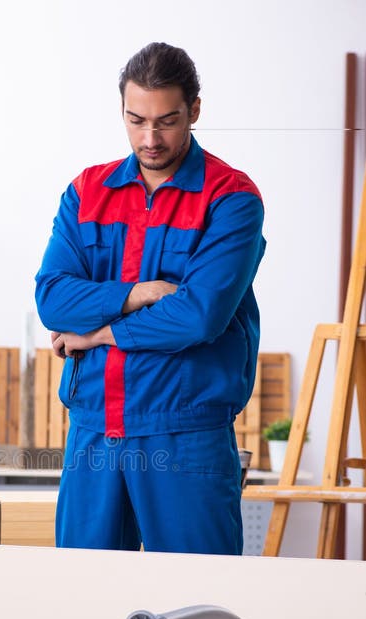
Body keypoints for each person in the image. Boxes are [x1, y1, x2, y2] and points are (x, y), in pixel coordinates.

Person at [35, 42, 266, 554]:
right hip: (93, 432)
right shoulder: (86, 192)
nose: (150, 138)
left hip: (185, 434)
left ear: (195, 111)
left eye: (166, 121)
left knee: (199, 606)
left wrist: (96, 331)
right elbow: (52, 299)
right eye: (136, 120)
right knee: (83, 602)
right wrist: (138, 294)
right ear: (122, 110)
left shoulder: (230, 199)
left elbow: (198, 317)